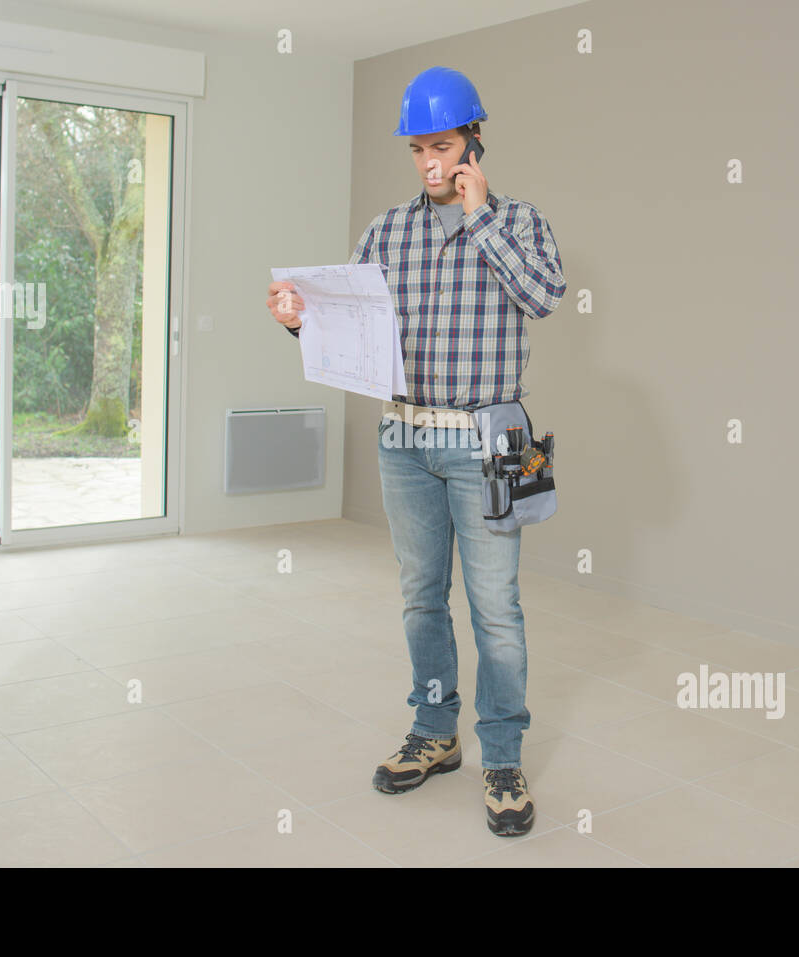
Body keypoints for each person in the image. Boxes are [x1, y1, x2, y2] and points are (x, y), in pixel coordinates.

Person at [264, 66, 566, 836]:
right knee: (419, 596)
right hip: (403, 438)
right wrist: (300, 321)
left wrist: (483, 216)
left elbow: (545, 297)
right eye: (418, 148)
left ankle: (501, 755)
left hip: (487, 441)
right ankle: (435, 735)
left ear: (472, 141)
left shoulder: (520, 221)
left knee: (496, 609)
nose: (431, 162)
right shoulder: (386, 232)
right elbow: (352, 333)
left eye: (443, 145)